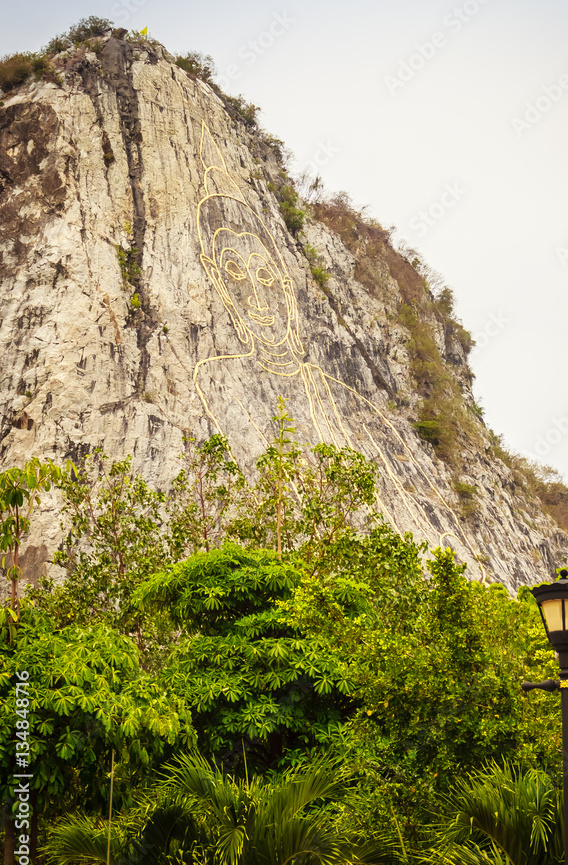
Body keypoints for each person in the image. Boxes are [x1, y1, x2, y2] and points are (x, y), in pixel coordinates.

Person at [193, 123, 480, 566]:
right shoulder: (214, 378)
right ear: (216, 279)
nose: (255, 291)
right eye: (234, 272)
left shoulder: (352, 405)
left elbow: (423, 520)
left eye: (266, 274)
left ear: (290, 290)